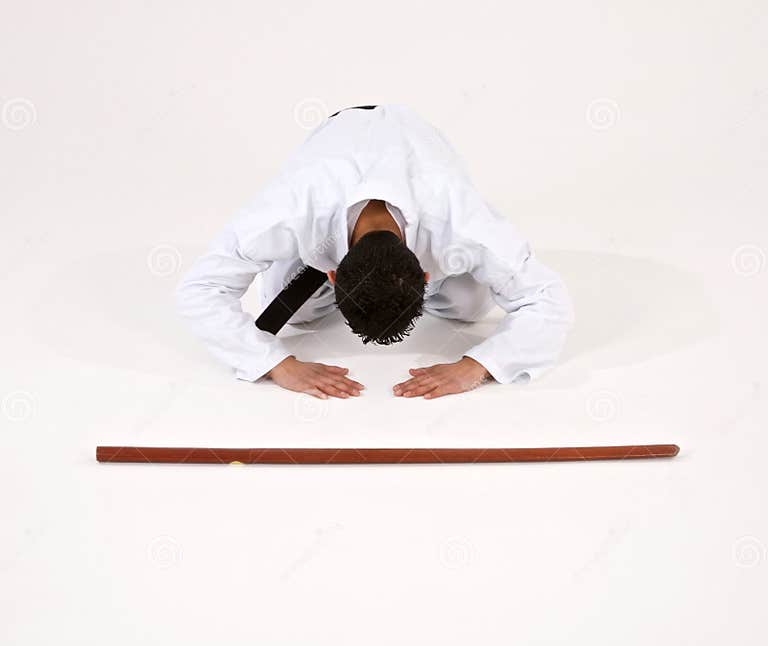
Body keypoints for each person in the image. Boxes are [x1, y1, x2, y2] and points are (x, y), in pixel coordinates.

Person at [175, 104, 574, 400]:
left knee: (468, 308)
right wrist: (275, 364)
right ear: (332, 273)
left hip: (417, 137)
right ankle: (316, 288)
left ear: (427, 275)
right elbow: (199, 290)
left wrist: (480, 366)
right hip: (337, 138)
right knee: (299, 314)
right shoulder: (290, 208)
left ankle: (432, 292)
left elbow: (549, 300)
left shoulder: (462, 221)